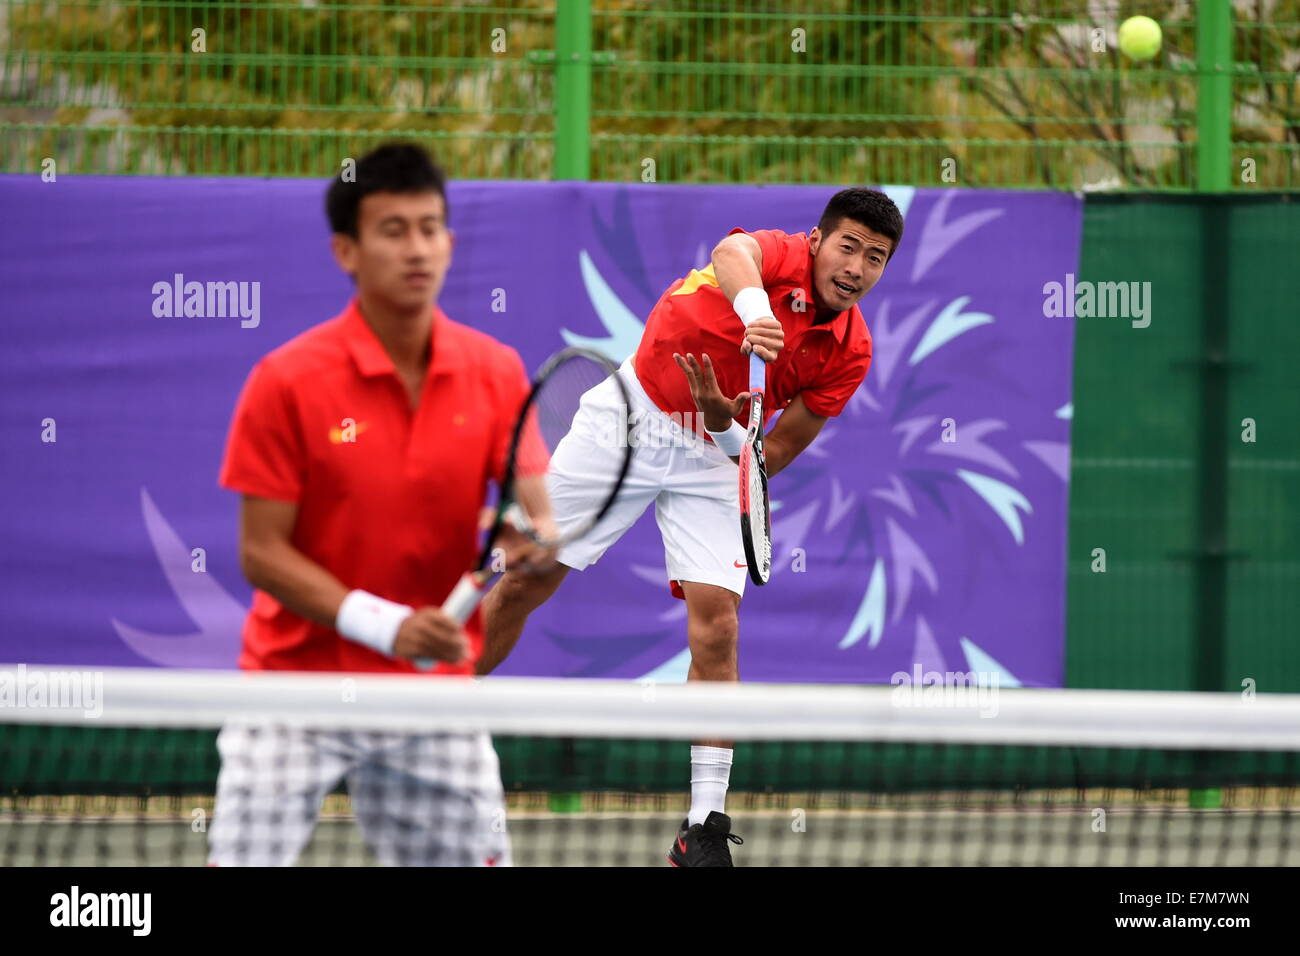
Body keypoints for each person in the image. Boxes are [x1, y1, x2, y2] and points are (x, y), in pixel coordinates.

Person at [479, 187, 904, 866]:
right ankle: (429, 720)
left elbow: (776, 452)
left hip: (718, 452)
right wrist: (756, 309)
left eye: (876, 258)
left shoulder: (850, 351)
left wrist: (721, 425)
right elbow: (731, 251)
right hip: (634, 413)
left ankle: (702, 827)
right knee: (528, 577)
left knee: (719, 627)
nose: (857, 267)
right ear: (818, 242)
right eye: (849, 246)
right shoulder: (774, 255)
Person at [209, 143, 549, 866]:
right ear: (347, 250)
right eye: (393, 230)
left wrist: (525, 543)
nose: (417, 249)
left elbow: (533, 522)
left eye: (430, 228)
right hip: (294, 688)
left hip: (429, 697)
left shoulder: (496, 371)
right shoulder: (286, 380)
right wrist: (386, 625)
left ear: (451, 243)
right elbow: (260, 552)